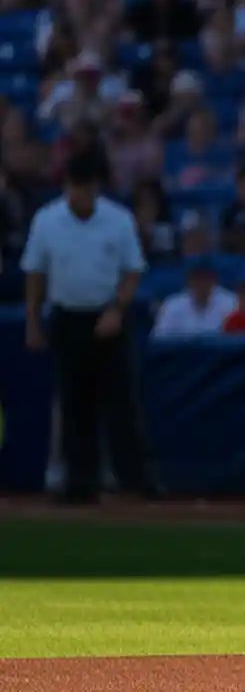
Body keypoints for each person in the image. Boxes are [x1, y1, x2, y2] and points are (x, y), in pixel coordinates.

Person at [20, 151, 161, 504]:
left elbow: (132, 270)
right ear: (66, 186)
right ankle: (81, 481)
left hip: (107, 318)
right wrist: (34, 321)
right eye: (74, 187)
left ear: (96, 186)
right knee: (73, 404)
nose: (79, 194)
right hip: (68, 318)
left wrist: (117, 309)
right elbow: (35, 273)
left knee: (121, 404)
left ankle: (135, 479)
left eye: (85, 187)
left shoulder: (117, 220)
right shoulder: (47, 221)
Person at [151, 255, 237, 338]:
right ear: (189, 280)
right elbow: (160, 341)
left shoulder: (231, 303)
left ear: (214, 280)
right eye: (197, 278)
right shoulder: (172, 305)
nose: (202, 283)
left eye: (206, 278)